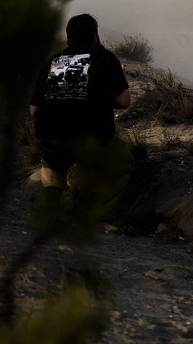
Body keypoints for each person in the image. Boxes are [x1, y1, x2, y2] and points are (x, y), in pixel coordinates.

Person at [29, 14, 132, 214]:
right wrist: (97, 100)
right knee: (124, 166)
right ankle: (90, 207)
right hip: (92, 136)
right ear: (95, 36)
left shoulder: (54, 61)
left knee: (52, 164)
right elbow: (124, 101)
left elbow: (34, 110)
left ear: (68, 37)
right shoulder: (104, 57)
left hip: (50, 137)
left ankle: (51, 201)